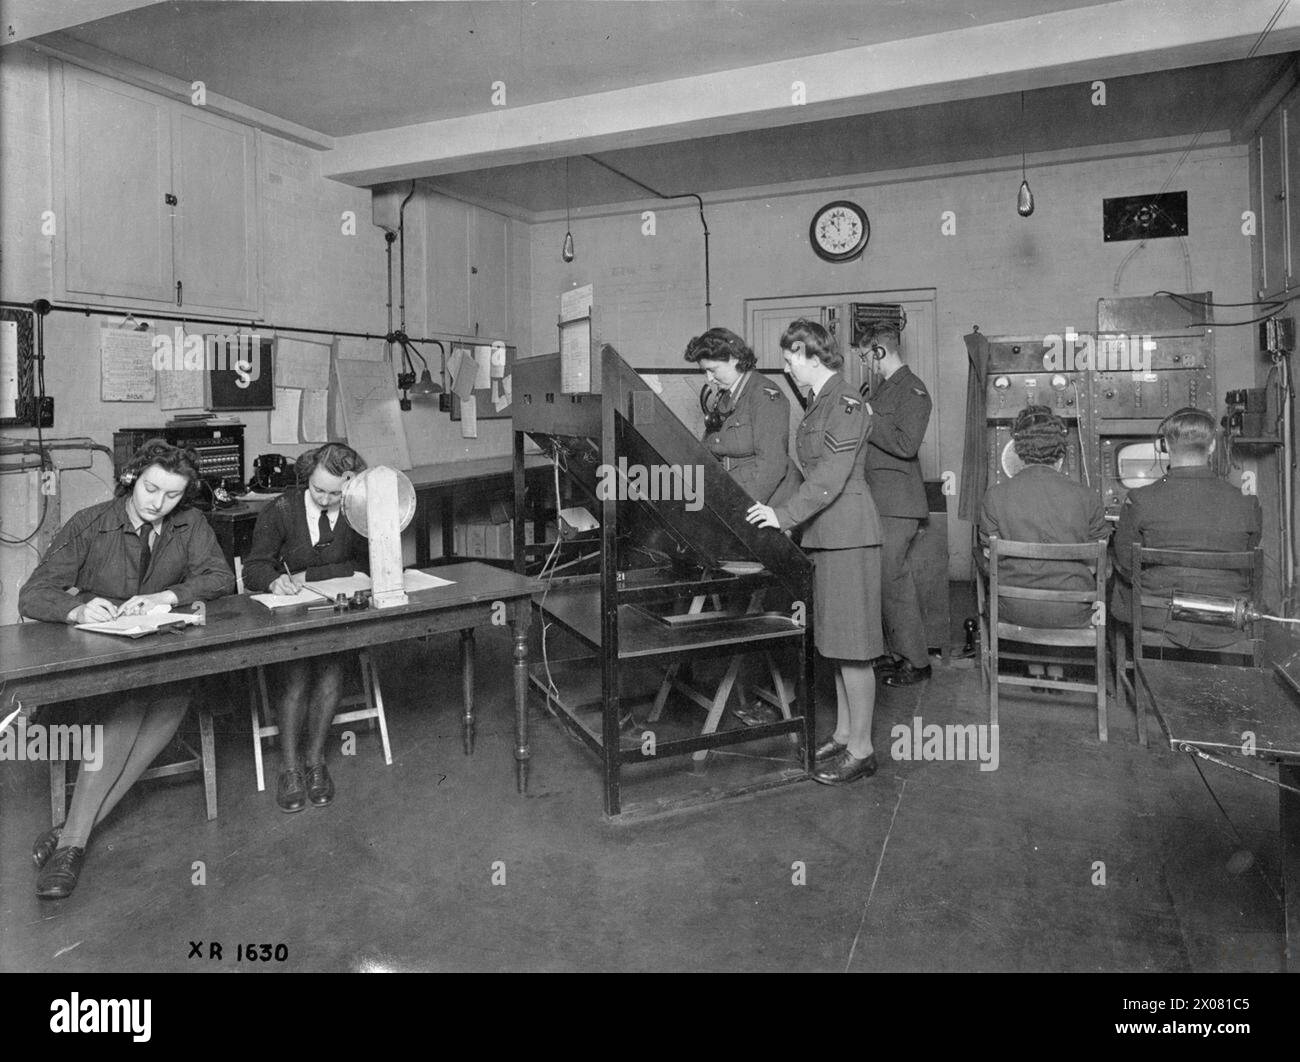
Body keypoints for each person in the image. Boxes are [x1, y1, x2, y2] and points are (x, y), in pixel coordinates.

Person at [18, 439, 236, 899]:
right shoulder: (91, 522)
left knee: (174, 694)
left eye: (173, 495)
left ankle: (69, 836)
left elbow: (220, 577)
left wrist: (166, 597)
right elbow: (33, 594)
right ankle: (73, 845)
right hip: (96, 669)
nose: (160, 503)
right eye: (152, 489)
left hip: (163, 655)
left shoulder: (190, 523)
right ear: (132, 478)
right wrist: (77, 610)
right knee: (135, 701)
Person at [747, 319, 883, 785]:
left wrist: (782, 516)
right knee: (835, 643)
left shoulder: (846, 402)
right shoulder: (818, 403)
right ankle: (845, 734)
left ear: (811, 355)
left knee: (855, 647)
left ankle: (863, 750)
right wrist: (776, 510)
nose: (786, 368)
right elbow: (804, 473)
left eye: (790, 359)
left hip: (848, 533)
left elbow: (829, 478)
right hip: (825, 534)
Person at [242, 443, 369, 812]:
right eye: (319, 490)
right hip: (291, 613)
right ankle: (290, 767)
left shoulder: (356, 509)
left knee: (330, 674)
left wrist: (310, 574)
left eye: (336, 492)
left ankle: (316, 762)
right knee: (296, 677)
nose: (328, 499)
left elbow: (369, 566)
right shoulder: (280, 509)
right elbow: (254, 568)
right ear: (306, 478)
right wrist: (273, 581)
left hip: (337, 611)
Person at [1111, 407, 1262, 644]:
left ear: (1166, 447)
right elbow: (1249, 559)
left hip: (1159, 616)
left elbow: (1125, 562)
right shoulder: (1247, 501)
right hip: (1226, 618)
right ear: (1212, 446)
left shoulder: (1140, 499)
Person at [979, 406, 1109, 629]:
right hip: (1074, 610)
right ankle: (1053, 663)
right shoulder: (1088, 497)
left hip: (1015, 609)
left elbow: (991, 559)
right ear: (1061, 452)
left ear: (1018, 451)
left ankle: (1038, 664)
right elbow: (1098, 565)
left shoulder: (994, 496)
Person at [859, 321, 934, 687]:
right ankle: (893, 655)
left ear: (879, 351)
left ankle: (917, 661)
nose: (866, 364)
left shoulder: (913, 390)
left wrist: (869, 419)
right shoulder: (885, 389)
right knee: (882, 581)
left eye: (866, 356)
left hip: (898, 504)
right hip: (878, 500)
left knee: (893, 580)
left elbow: (906, 445)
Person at [684, 327, 792, 504]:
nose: (709, 379)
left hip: (761, 500)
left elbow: (772, 465)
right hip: (733, 487)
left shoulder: (764, 396)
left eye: (713, 370)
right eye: (705, 371)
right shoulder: (727, 395)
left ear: (735, 359)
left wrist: (742, 509)